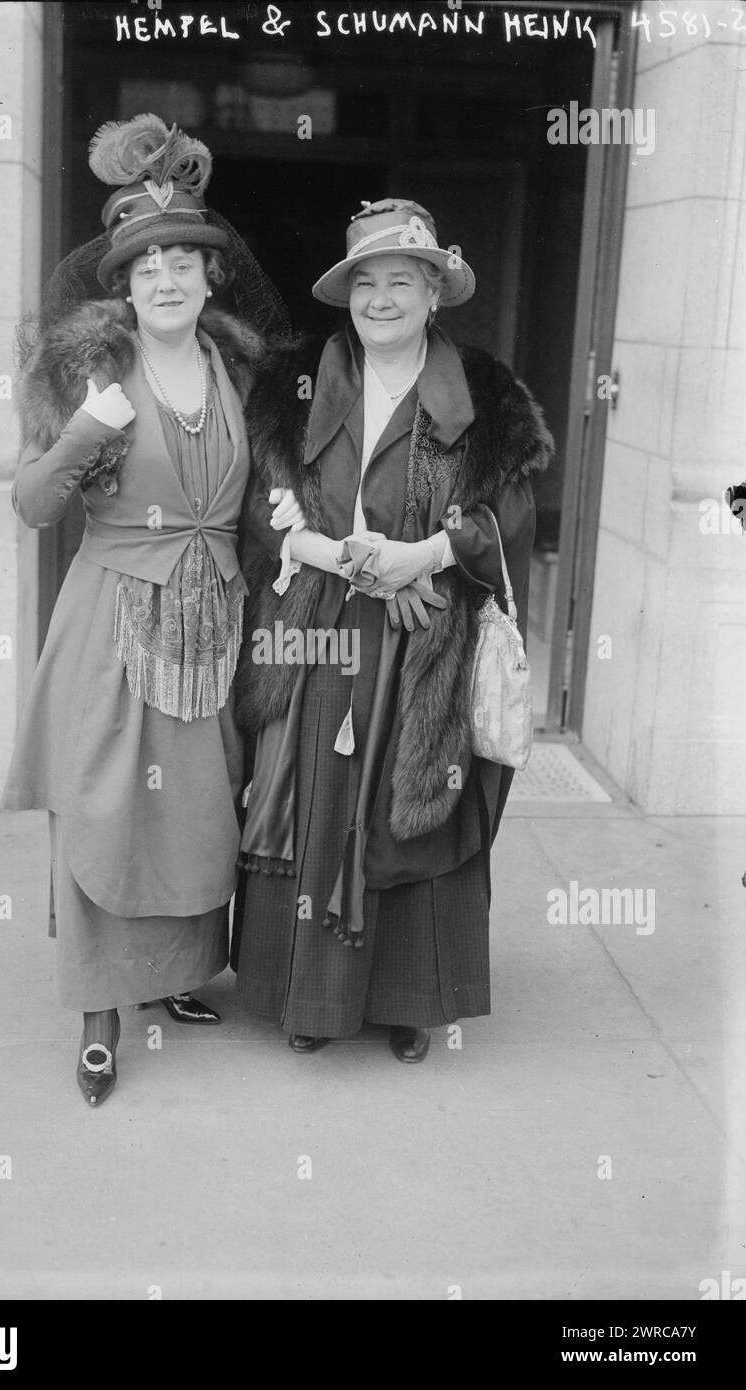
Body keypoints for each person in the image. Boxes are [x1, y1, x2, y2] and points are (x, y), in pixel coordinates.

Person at [3, 114, 288, 1105]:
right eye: (147, 265)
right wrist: (90, 425)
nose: (166, 279)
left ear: (211, 278)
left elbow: (245, 499)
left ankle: (168, 980)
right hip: (112, 618)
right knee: (105, 806)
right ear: (123, 285)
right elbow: (34, 504)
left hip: (211, 615)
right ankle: (96, 1013)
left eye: (183, 261)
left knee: (192, 808)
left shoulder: (233, 370)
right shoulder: (91, 373)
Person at [232, 199, 554, 1064]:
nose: (382, 299)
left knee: (414, 804)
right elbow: (260, 513)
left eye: (401, 282)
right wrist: (315, 544)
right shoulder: (291, 383)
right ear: (346, 295)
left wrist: (431, 554)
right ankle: (311, 998)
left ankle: (411, 1000)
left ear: (435, 291)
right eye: (366, 282)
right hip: (323, 632)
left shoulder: (485, 393)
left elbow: (511, 511)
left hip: (429, 632)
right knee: (318, 799)